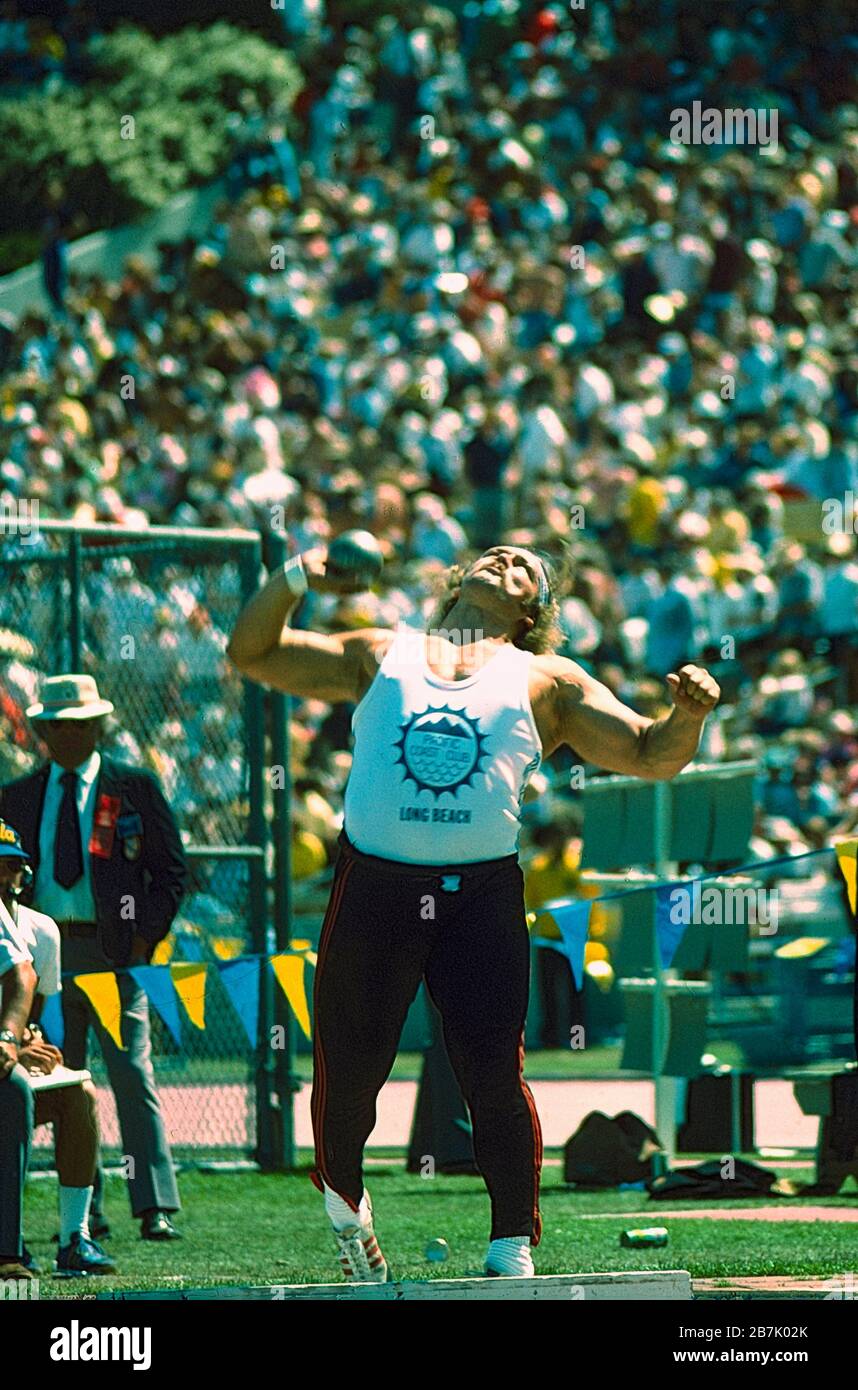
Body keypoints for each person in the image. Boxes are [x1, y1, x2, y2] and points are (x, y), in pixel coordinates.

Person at [228, 541, 720, 1280]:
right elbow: (253, 653)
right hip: (375, 887)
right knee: (349, 1074)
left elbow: (652, 754)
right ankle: (346, 1206)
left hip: (481, 894)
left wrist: (690, 714)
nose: (507, 560)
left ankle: (510, 1245)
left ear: (532, 611)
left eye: (526, 567)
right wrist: (297, 574)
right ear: (460, 577)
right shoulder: (379, 652)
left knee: (494, 1071)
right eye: (497, 553)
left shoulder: (550, 680)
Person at [0, 674, 188, 1242]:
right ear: (41, 732)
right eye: (57, 725)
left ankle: (154, 1205)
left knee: (131, 1074)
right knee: (60, 1078)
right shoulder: (17, 795)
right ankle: (85, 1212)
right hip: (35, 953)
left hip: (115, 954)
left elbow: (172, 873)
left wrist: (141, 943)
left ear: (99, 726)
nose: (68, 734)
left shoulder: (134, 786)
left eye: (79, 724)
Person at [0, 818, 115, 1276]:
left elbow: (31, 1015)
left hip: (7, 1057)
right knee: (14, 1092)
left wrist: (28, 1042)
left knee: (79, 1096)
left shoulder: (41, 930)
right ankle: (10, 1241)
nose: (6, 878)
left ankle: (74, 1237)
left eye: (13, 867)